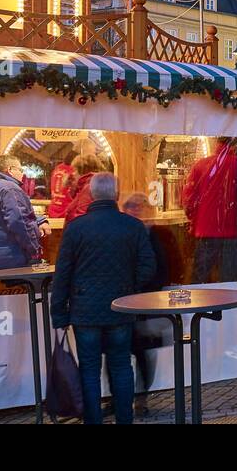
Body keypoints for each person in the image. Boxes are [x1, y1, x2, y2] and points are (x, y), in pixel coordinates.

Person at [51, 172, 157, 425]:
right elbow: (147, 266)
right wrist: (129, 287)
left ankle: (93, 421)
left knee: (88, 369)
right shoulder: (132, 226)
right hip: (121, 309)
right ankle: (124, 420)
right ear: (116, 195)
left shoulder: (77, 228)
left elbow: (63, 273)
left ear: (93, 194)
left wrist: (58, 313)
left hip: (84, 310)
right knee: (121, 366)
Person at [122, 192, 170, 415]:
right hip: (124, 305)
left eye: (138, 207)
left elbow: (161, 270)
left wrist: (146, 295)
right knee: (119, 353)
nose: (135, 211)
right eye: (130, 207)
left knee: (142, 355)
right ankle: (120, 397)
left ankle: (140, 399)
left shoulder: (154, 235)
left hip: (144, 306)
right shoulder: (121, 234)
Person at [0, 155, 47, 269]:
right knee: (50, 273)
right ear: (10, 170)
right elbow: (20, 223)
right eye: (21, 170)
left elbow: (16, 214)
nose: (23, 174)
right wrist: (36, 251)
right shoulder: (10, 188)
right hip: (9, 258)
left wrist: (40, 220)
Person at [183, 138, 237, 283]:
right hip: (233, 229)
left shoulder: (201, 165)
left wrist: (193, 218)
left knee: (200, 274)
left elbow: (189, 198)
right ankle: (227, 304)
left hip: (205, 228)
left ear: (216, 143)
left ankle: (199, 303)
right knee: (229, 276)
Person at [63, 148, 105, 221]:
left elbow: (81, 217)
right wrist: (73, 189)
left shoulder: (89, 188)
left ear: (83, 170)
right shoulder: (90, 186)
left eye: (75, 170)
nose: (73, 173)